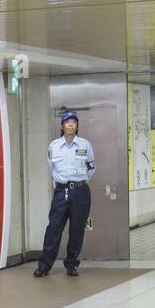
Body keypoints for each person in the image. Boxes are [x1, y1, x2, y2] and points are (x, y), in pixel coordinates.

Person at [33, 110, 95, 278]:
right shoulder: (53, 146)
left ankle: (71, 264)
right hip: (61, 191)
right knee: (53, 228)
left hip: (80, 192)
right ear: (62, 125)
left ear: (77, 126)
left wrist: (79, 182)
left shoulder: (85, 145)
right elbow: (51, 169)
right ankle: (44, 265)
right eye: (67, 122)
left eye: (74, 122)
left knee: (77, 229)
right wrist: (62, 184)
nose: (70, 124)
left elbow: (91, 168)